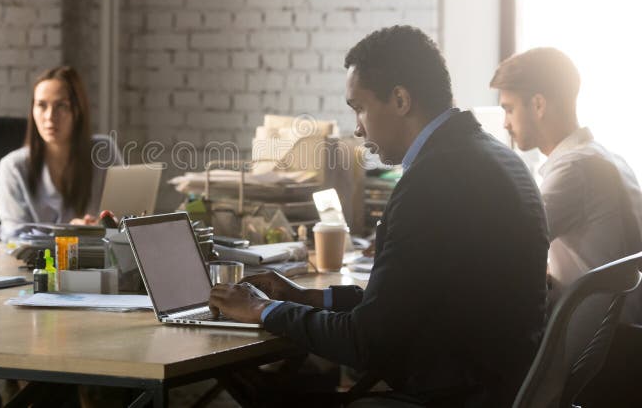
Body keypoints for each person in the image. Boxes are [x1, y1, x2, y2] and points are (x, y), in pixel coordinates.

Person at [209, 26, 549, 407]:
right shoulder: (500, 159)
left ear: (400, 99)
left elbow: (366, 341)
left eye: (359, 108)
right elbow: (400, 304)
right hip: (502, 386)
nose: (357, 128)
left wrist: (263, 309)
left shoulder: (431, 182)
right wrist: (306, 297)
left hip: (454, 394)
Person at [491, 47, 642, 407]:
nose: (505, 123)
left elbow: (507, 247)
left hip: (600, 350)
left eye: (509, 109)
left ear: (538, 104)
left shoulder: (573, 169)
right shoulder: (606, 157)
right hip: (623, 337)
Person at [0, 66, 122, 240]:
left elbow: (123, 221)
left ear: (78, 111)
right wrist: (71, 233)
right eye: (41, 105)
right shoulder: (13, 167)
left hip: (92, 254)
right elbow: (14, 235)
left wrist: (99, 227)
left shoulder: (103, 151)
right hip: (31, 257)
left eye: (61, 106)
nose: (49, 116)